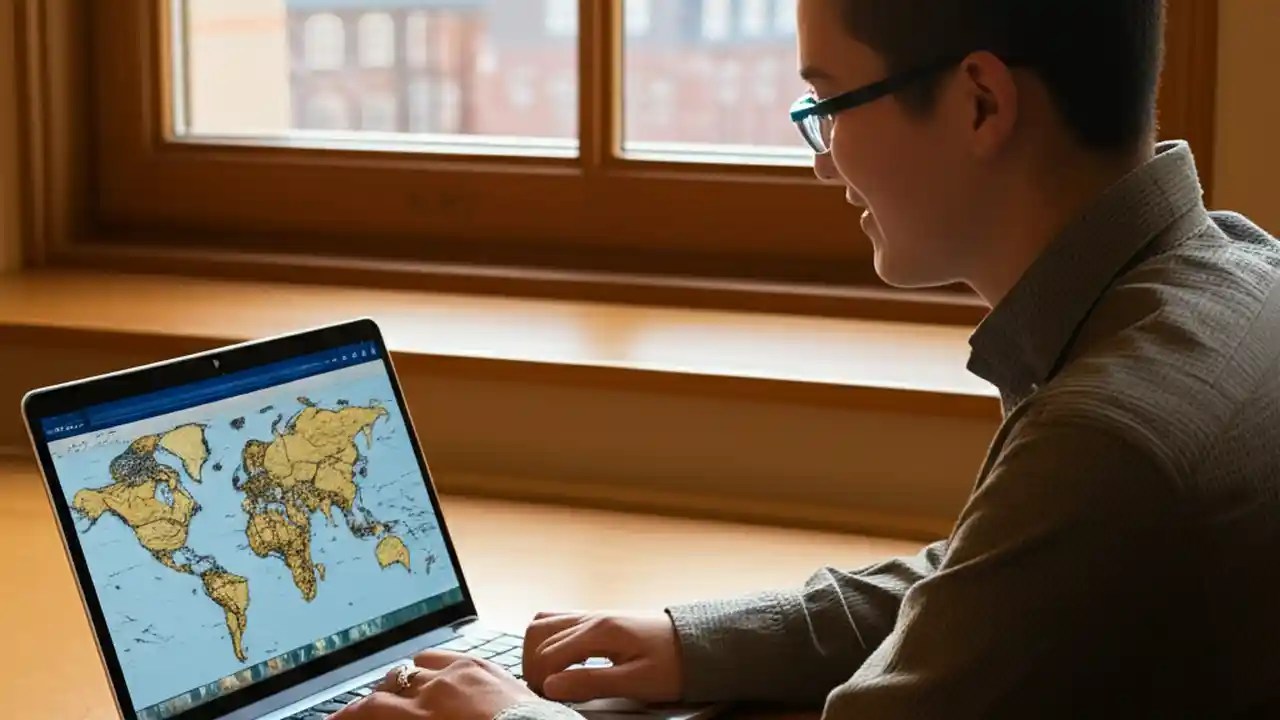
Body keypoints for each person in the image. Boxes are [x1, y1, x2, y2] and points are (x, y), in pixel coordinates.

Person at [335, 0, 1280, 718]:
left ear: (981, 102)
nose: (823, 161)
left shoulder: (1106, 444)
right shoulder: (1239, 273)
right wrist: (696, 643)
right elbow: (1002, 581)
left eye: (830, 102)